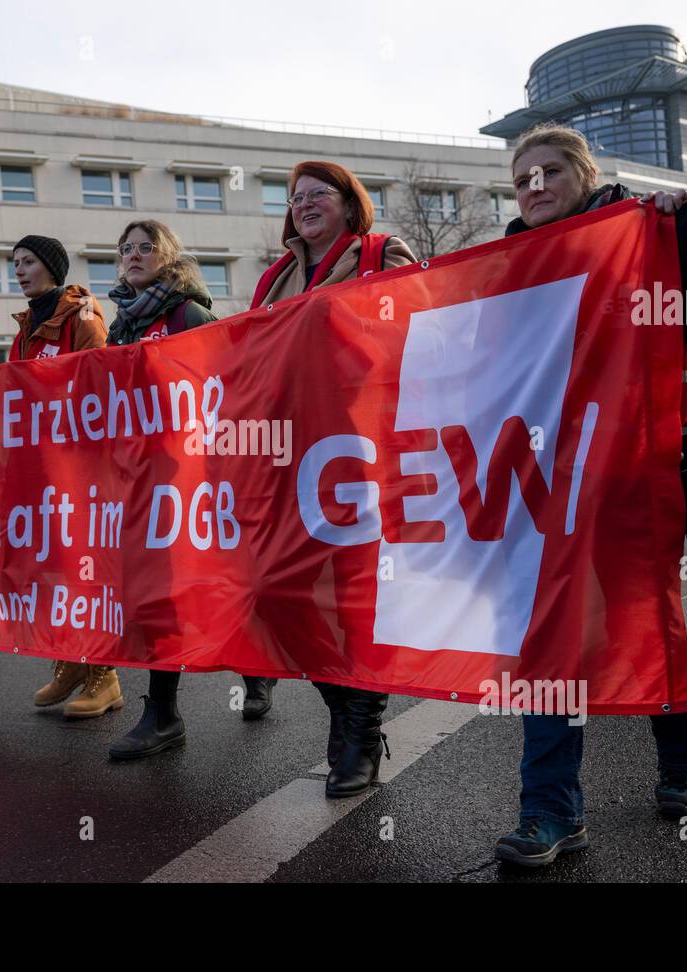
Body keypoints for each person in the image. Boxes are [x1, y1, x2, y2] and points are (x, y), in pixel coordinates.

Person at [492, 124, 687, 868]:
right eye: (522, 179)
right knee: (551, 640)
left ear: (585, 173)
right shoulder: (508, 264)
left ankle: (683, 756)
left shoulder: (654, 230)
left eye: (549, 172)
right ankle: (551, 809)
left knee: (649, 621)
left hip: (639, 474)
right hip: (546, 485)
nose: (535, 187)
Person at [249, 159, 417, 797]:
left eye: (320, 194)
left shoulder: (381, 252)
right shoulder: (275, 276)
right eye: (296, 197)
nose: (305, 204)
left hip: (362, 451)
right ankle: (344, 708)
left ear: (351, 204)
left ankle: (360, 728)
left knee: (356, 600)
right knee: (272, 589)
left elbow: (419, 326)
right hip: (286, 454)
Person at [102, 219, 218, 759]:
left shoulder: (186, 315)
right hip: (137, 480)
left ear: (167, 255)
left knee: (201, 590)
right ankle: (164, 713)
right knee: (154, 594)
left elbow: (218, 388)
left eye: (146, 247)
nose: (134, 254)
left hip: (185, 480)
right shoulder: (120, 324)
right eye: (126, 248)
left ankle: (258, 673)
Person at [8, 235, 122, 718]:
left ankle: (105, 676)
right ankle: (70, 662)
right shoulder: (26, 326)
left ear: (53, 267)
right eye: (14, 264)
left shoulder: (82, 317)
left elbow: (98, 389)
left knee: (86, 568)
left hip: (80, 468)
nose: (19, 271)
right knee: (54, 569)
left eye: (28, 262)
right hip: (42, 468)